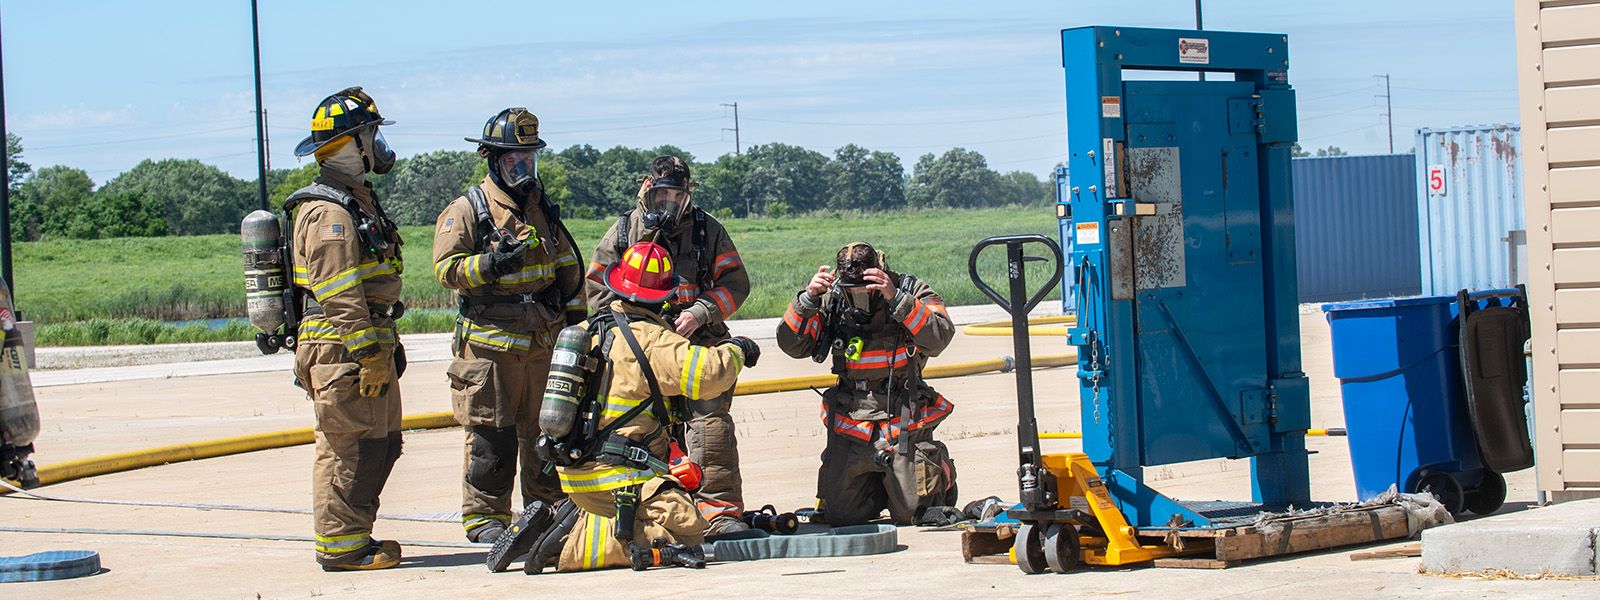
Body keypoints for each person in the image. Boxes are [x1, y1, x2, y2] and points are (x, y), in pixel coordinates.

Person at [497, 241, 760, 572]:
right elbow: (709, 374)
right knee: (689, 529)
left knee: (656, 509)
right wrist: (738, 349)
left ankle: (569, 514)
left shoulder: (586, 330)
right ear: (665, 295)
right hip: (620, 477)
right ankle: (565, 543)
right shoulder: (653, 339)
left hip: (573, 475)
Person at [433, 108, 585, 543]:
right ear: (492, 160)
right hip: (490, 346)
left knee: (547, 432)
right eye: (514, 161)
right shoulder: (467, 209)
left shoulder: (540, 209)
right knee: (491, 437)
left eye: (529, 160)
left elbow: (567, 266)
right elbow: (445, 268)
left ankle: (549, 513)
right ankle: (486, 521)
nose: (524, 170)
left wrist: (576, 327)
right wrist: (490, 264)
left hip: (543, 341)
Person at [585, 156, 752, 538]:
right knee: (641, 428)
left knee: (709, 421)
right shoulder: (624, 231)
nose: (669, 204)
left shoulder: (707, 231)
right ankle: (658, 511)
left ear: (687, 195)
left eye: (677, 195)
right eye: (662, 194)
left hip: (697, 341)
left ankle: (720, 512)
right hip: (642, 349)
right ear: (647, 189)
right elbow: (596, 290)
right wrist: (632, 329)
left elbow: (736, 284)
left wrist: (701, 312)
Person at [284, 87, 406, 570]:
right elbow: (337, 292)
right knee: (348, 447)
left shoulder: (356, 201)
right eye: (372, 133)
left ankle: (355, 535)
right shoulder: (329, 212)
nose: (379, 144)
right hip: (341, 348)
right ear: (353, 143)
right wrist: (367, 352)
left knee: (380, 445)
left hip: (362, 343)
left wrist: (381, 344)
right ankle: (341, 546)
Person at [774, 242, 962, 526]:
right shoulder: (833, 298)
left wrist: (896, 298)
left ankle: (941, 479)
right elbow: (793, 345)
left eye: (866, 287)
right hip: (852, 418)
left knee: (913, 513)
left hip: (901, 416)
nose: (859, 296)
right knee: (841, 515)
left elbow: (940, 337)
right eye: (853, 289)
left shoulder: (910, 289)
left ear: (880, 272)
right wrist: (808, 299)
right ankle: (879, 488)